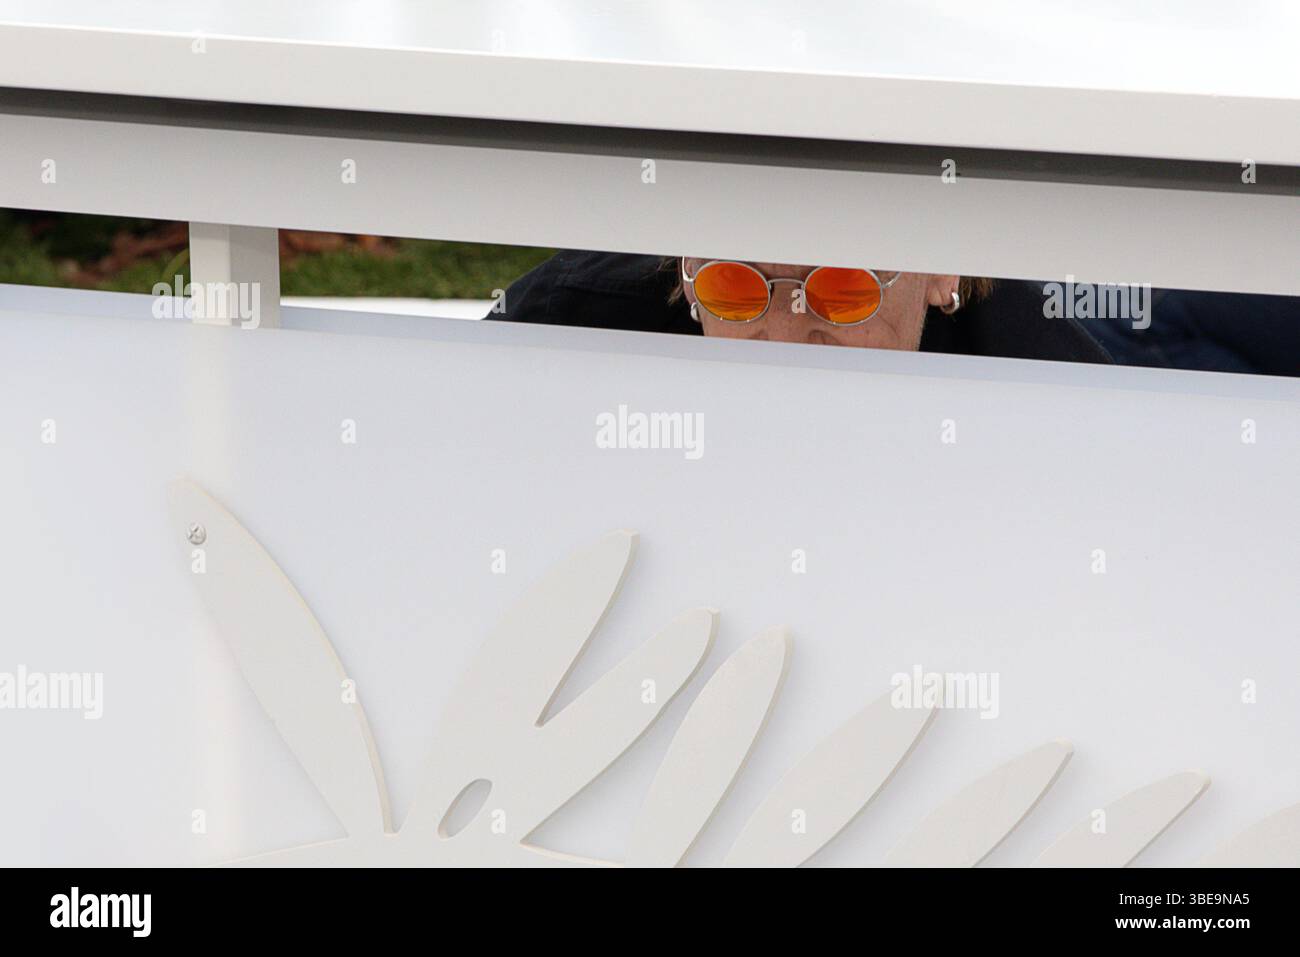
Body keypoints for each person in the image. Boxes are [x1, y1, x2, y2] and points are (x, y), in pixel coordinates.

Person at [495, 250, 1112, 364]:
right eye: (733, 288)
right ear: (686, 279)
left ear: (941, 272)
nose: (786, 342)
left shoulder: (1044, 381)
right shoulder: (567, 322)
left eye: (844, 291)